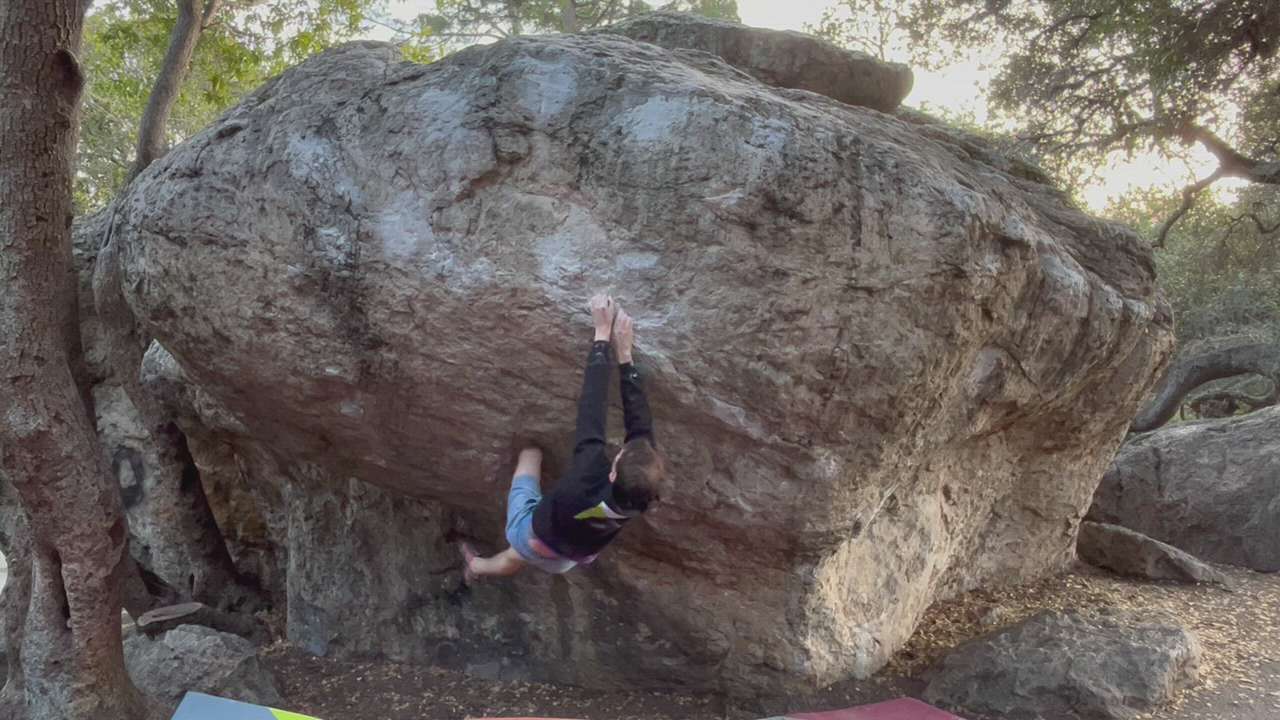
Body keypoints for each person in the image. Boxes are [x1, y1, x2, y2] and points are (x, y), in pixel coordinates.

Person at [461, 293, 665, 580]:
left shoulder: (585, 477)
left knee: (531, 454)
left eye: (619, 455)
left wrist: (602, 336)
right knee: (516, 555)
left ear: (611, 474)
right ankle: (476, 567)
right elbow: (640, 426)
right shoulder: (642, 497)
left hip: (533, 535)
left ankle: (478, 566)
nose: (620, 450)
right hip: (566, 559)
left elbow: (592, 409)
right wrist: (625, 358)